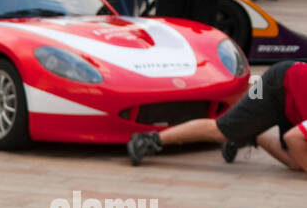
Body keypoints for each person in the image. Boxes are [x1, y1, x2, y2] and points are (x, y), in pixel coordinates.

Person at [128, 60, 307, 170]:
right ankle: (150, 140)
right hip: (273, 81)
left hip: (294, 99)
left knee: (296, 162)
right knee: (221, 129)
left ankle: (253, 134)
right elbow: (293, 138)